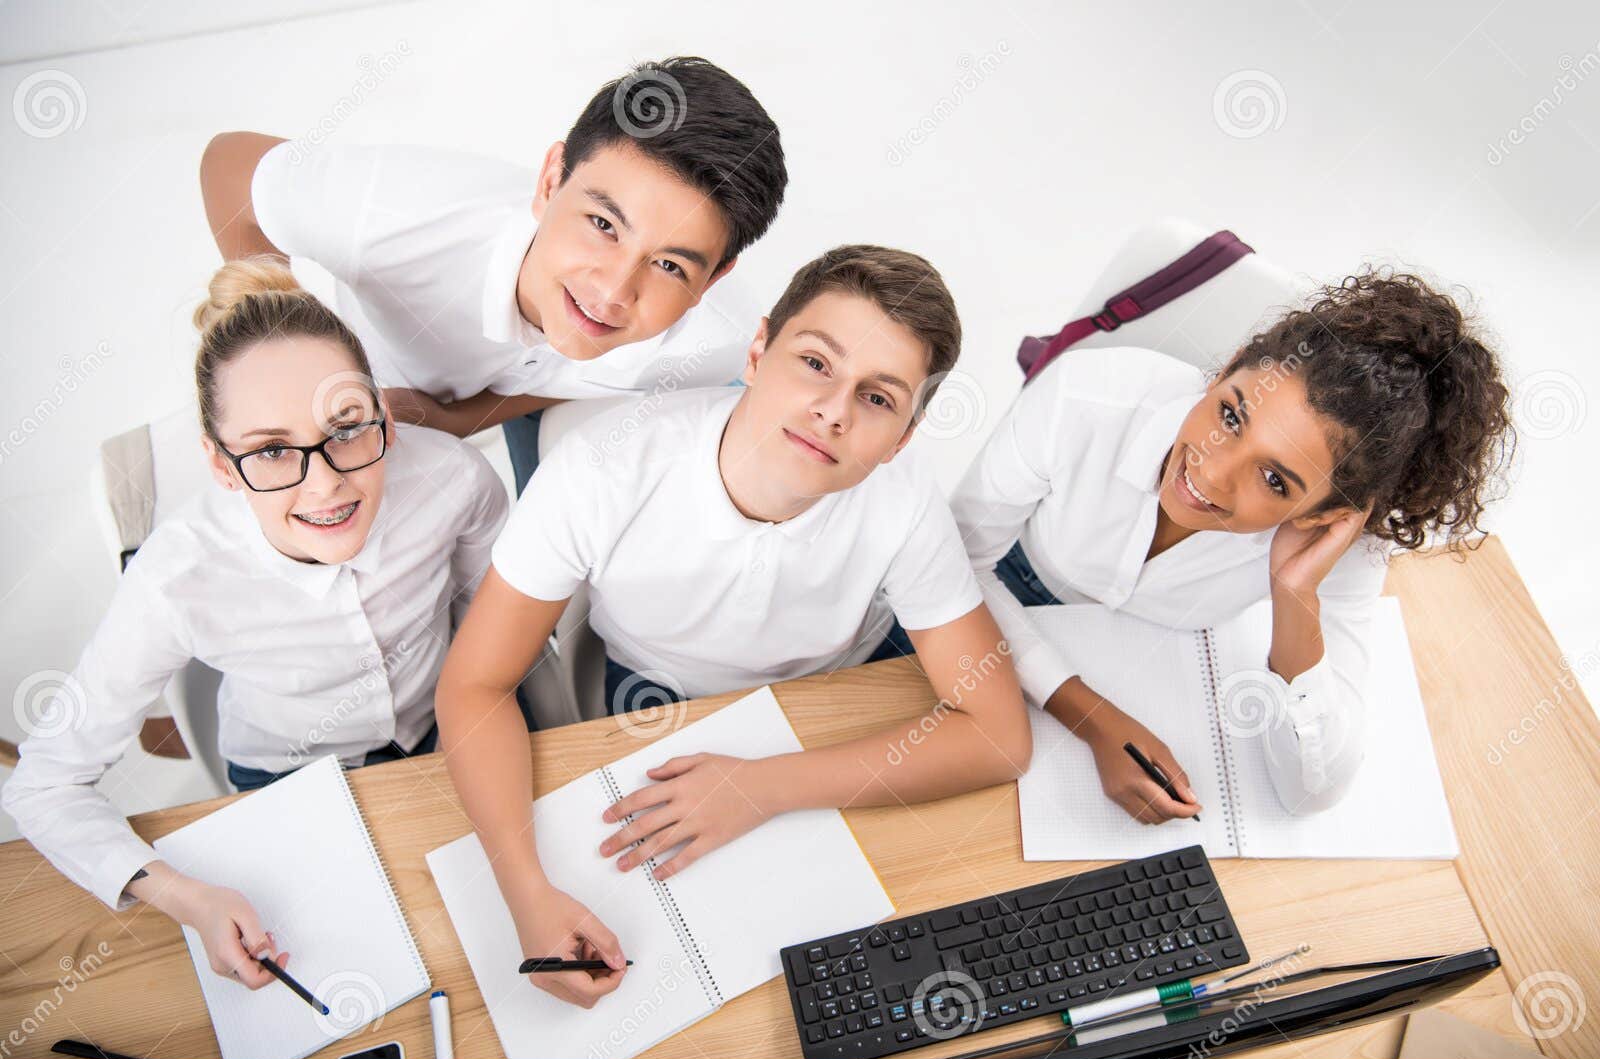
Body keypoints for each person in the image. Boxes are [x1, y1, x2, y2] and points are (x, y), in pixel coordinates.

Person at [437, 245, 1032, 1008]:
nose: (834, 412)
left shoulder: (903, 499)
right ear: (757, 351)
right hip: (660, 695)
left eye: (879, 400)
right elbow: (476, 682)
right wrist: (526, 897)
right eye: (816, 363)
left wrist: (764, 788)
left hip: (829, 694)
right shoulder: (600, 471)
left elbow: (997, 735)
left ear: (904, 439)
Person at [2, 257, 507, 990]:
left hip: (443, 734)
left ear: (384, 416)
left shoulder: (455, 480)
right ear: (220, 464)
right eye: (273, 450)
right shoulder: (177, 578)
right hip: (284, 780)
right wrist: (184, 897)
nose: (326, 482)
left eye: (346, 428)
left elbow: (492, 621)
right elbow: (42, 784)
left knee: (473, 956)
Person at [952, 271, 1514, 821]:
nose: (1212, 474)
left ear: (1328, 514)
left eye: (1275, 481)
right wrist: (1093, 720)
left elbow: (1311, 792)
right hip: (1000, 589)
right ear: (1227, 368)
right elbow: (956, 567)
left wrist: (1294, 595)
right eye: (1230, 414)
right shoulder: (1084, 398)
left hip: (1143, 655)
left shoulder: (1339, 544)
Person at [198, 56, 787, 493]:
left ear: (713, 280)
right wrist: (284, 346)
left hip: (482, 407)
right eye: (604, 225)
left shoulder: (716, 344)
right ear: (552, 180)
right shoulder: (392, 214)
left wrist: (459, 416)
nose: (611, 291)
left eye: (668, 265)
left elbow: (568, 377)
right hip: (363, 378)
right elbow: (229, 166)